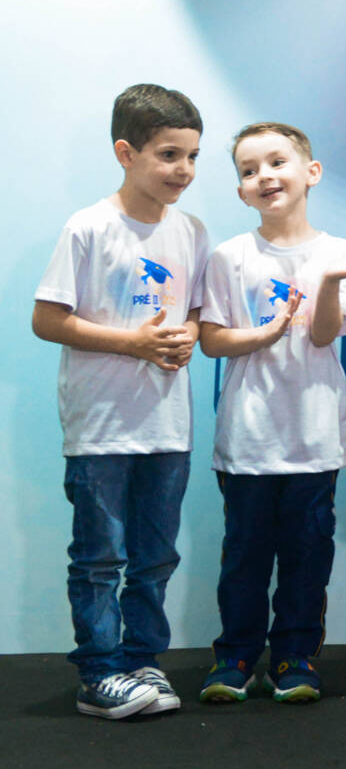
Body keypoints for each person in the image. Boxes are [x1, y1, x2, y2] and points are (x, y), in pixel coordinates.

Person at [31, 84, 209, 719]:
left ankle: (143, 662)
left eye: (192, 156)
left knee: (155, 556)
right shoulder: (88, 227)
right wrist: (132, 343)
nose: (183, 170)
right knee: (101, 557)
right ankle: (100, 673)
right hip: (101, 429)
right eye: (168, 155)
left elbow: (192, 314)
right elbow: (48, 320)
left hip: (168, 426)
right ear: (126, 153)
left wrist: (183, 335)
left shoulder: (191, 230)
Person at [196, 122, 346, 704]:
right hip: (249, 436)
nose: (265, 177)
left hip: (313, 436)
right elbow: (211, 340)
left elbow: (326, 335)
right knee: (245, 555)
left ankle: (295, 658)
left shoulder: (336, 253)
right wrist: (262, 334)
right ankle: (234, 656)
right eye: (249, 171)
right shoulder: (229, 255)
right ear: (239, 191)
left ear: (312, 171)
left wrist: (327, 281)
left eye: (277, 162)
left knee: (308, 553)